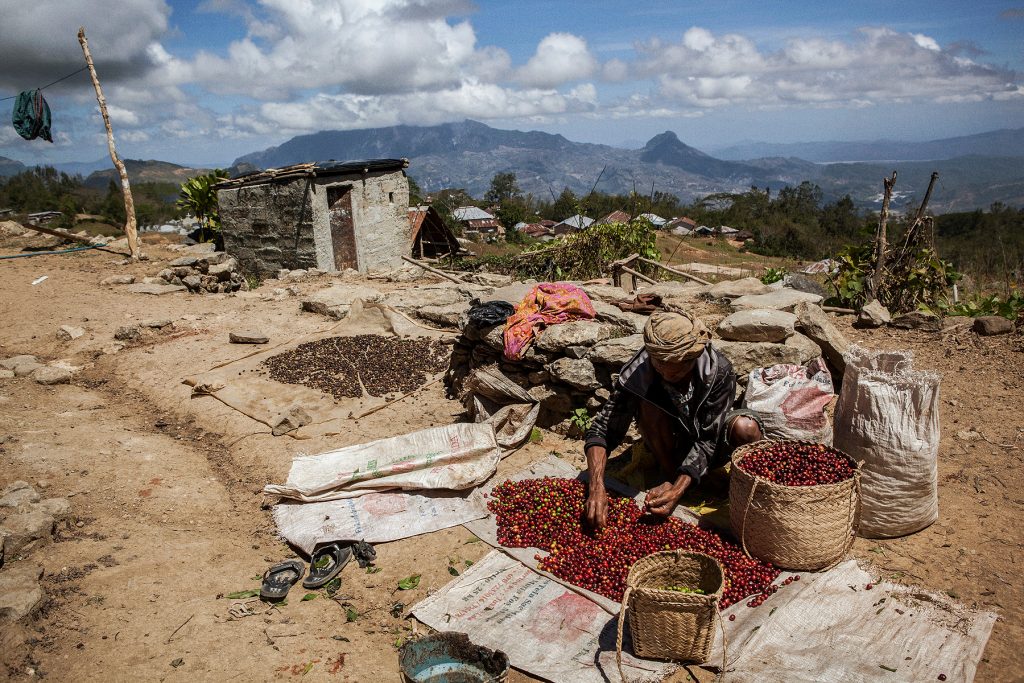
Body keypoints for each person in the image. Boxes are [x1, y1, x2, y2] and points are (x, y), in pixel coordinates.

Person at [583, 308, 763, 528]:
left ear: (692, 360)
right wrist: (596, 488)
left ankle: (754, 500)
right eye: (660, 369)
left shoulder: (718, 371)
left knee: (746, 428)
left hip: (709, 445)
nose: (667, 376)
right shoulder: (640, 370)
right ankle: (669, 473)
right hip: (669, 444)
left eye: (676, 373)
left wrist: (678, 488)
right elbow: (603, 430)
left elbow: (708, 439)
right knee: (648, 405)